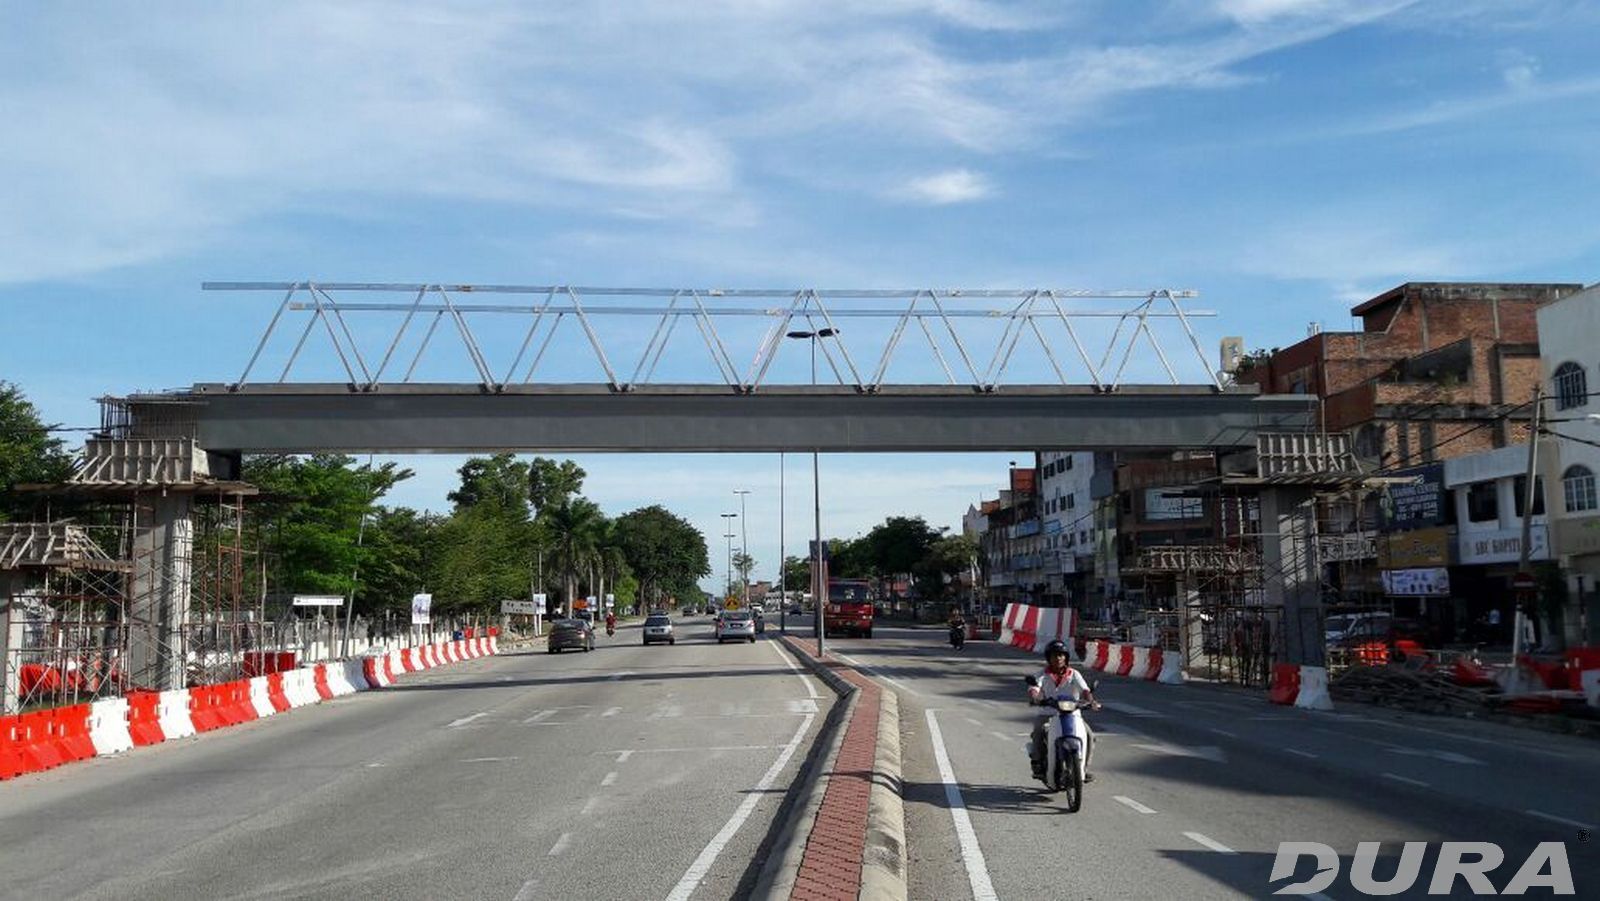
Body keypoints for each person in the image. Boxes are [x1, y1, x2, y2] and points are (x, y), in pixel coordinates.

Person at [1027, 639, 1100, 782]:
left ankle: (1083, 769)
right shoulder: (1042, 674)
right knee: (1038, 731)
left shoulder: (1074, 674)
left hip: (1072, 714)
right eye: (1055, 655)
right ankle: (1037, 763)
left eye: (1061, 655)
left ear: (1066, 657)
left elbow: (1085, 690)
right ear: (1049, 658)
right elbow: (1034, 688)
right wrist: (1036, 697)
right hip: (1048, 713)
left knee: (1089, 735)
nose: (1058, 658)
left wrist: (1091, 701)